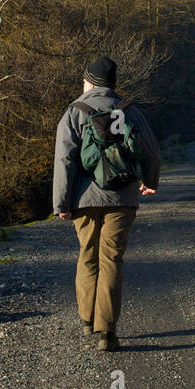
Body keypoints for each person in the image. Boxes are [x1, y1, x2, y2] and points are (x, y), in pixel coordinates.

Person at [52, 56, 161, 352]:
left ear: (90, 82)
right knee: (111, 259)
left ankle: (87, 319)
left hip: (84, 199)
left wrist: (61, 202)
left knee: (88, 254)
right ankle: (107, 333)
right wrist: (149, 182)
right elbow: (151, 152)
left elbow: (64, 160)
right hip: (122, 198)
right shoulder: (129, 111)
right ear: (113, 83)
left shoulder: (75, 112)